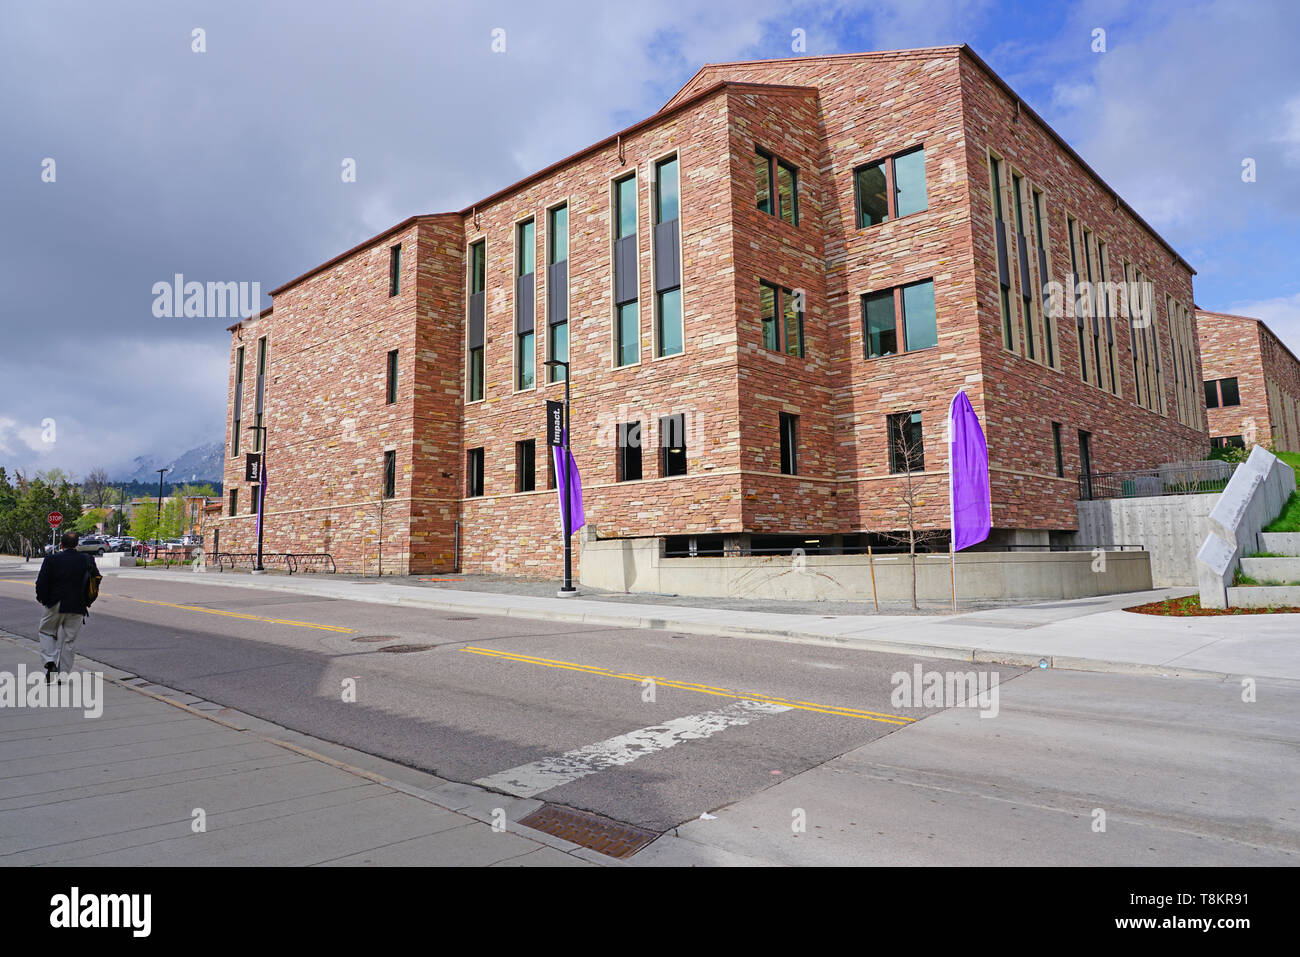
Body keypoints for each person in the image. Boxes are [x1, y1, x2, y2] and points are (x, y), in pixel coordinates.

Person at [34, 531, 99, 682]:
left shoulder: (51, 559)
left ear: (61, 544)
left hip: (55, 602)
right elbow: (95, 581)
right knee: (69, 641)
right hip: (78, 605)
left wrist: (43, 599)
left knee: (46, 632)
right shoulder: (87, 560)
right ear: (77, 544)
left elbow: (41, 583)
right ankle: (63, 674)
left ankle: (50, 662)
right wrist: (88, 600)